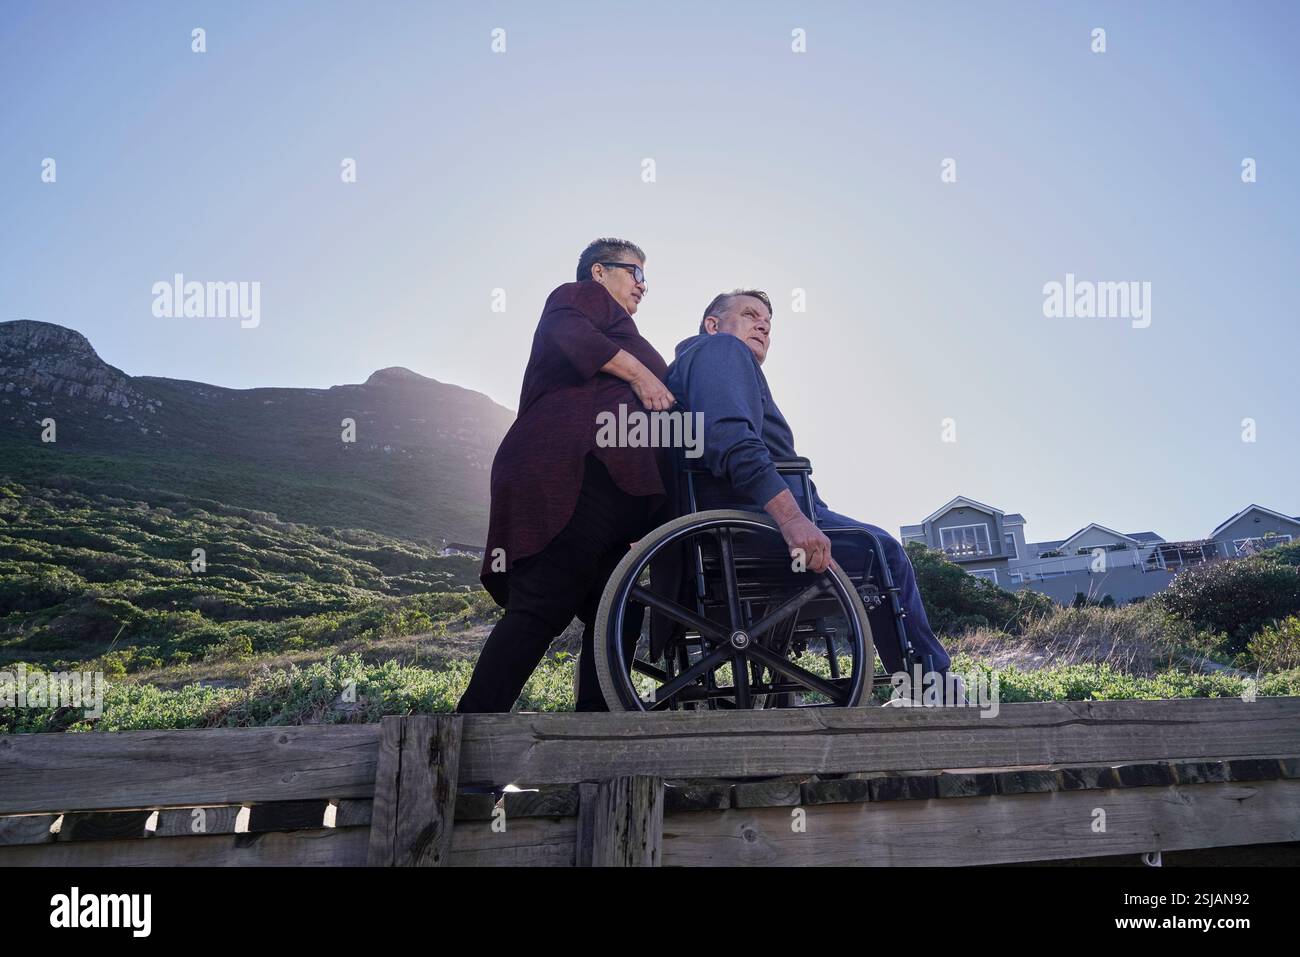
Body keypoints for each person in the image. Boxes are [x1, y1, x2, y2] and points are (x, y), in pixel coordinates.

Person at [664, 288, 960, 702]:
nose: (763, 325)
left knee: (869, 541)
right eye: (749, 314)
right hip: (750, 531)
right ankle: (933, 688)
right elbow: (729, 439)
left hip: (733, 528)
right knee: (882, 550)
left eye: (768, 321)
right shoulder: (720, 351)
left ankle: (785, 698)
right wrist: (792, 518)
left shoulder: (701, 366)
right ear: (714, 324)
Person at [456, 238, 674, 713]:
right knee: (544, 600)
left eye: (645, 277)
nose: (643, 285)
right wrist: (640, 375)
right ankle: (464, 752)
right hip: (573, 470)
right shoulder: (580, 296)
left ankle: (593, 750)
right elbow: (566, 331)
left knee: (616, 609)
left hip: (610, 490)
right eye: (635, 272)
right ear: (599, 272)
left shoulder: (618, 324)